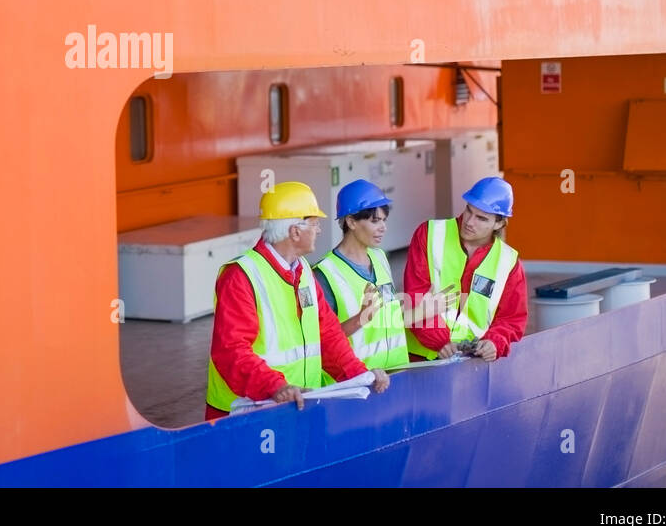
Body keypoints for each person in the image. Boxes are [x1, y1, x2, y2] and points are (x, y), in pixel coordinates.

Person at [206, 181, 390, 420]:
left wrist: (360, 376)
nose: (319, 230)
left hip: (297, 405)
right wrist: (274, 386)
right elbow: (232, 351)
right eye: (314, 224)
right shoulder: (241, 276)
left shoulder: (302, 270)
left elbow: (328, 335)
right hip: (247, 414)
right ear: (295, 231)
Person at [403, 176, 527, 362]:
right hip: (421, 358)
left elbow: (511, 318)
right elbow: (416, 296)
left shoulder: (508, 262)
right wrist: (440, 341)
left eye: (481, 218)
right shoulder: (429, 234)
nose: (469, 222)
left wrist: (494, 342)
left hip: (471, 363)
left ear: (499, 223)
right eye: (469, 211)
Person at [311, 179, 409, 372]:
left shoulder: (380, 257)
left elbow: (388, 317)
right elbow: (321, 341)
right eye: (375, 221)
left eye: (383, 220)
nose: (383, 227)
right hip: (358, 382)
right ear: (351, 221)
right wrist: (359, 320)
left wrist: (423, 310)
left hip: (397, 374)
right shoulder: (325, 273)